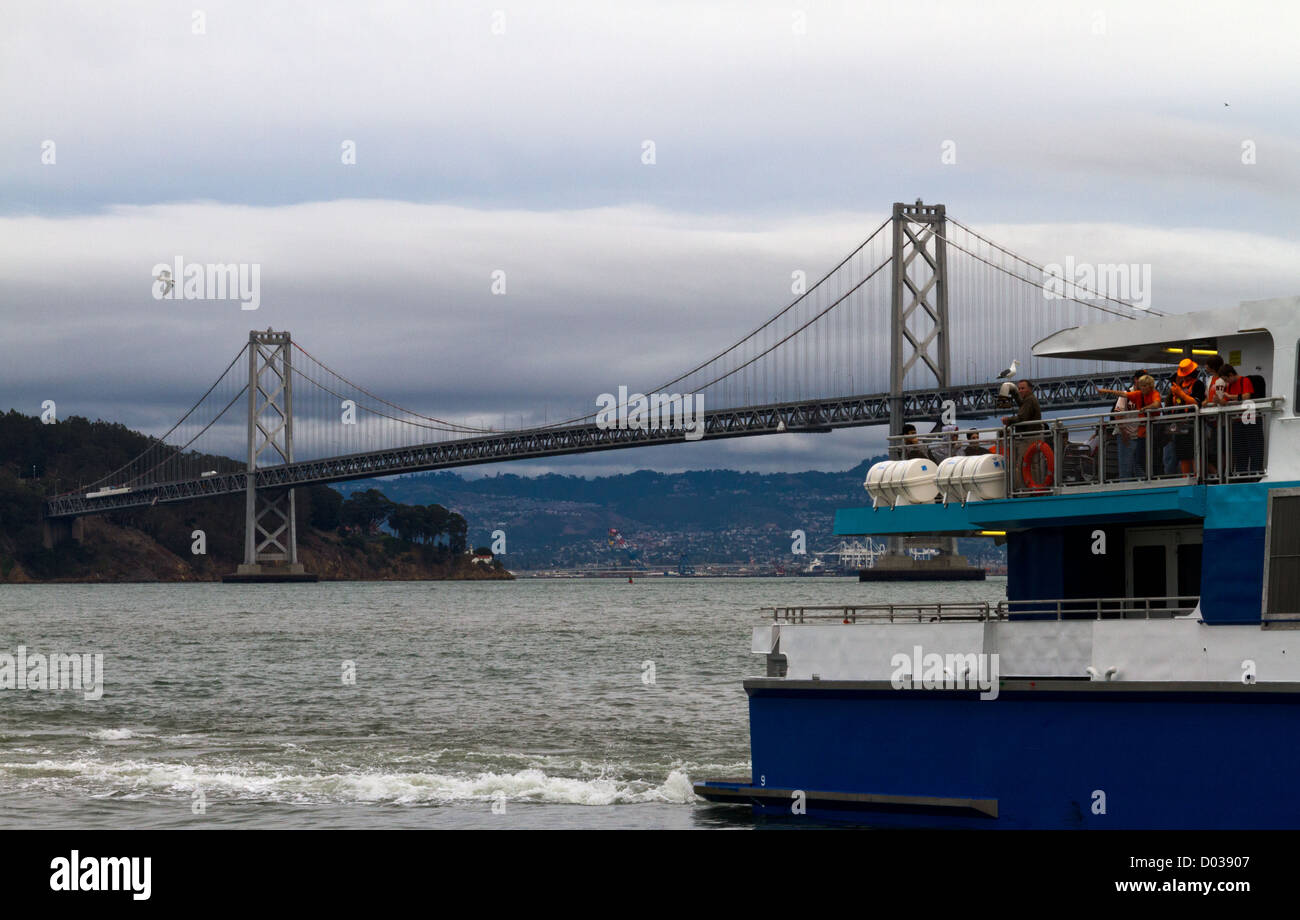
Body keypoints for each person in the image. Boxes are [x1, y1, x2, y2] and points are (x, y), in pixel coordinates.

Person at [1098, 375, 1161, 478]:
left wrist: (1146, 408)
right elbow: (1122, 394)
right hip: (1141, 434)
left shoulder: (1155, 394)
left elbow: (1157, 404)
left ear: (1150, 386)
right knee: (1137, 463)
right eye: (1142, 386)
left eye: (1145, 386)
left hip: (1148, 433)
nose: (1143, 388)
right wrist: (1105, 391)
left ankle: (1145, 483)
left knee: (1141, 462)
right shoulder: (1138, 394)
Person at [1001, 380, 1044, 489]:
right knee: (1034, 464)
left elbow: (1022, 417)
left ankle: (1023, 490)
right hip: (1034, 436)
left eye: (1022, 388)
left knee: (1022, 464)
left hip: (1028, 438)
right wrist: (1015, 394)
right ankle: (1036, 488)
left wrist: (1008, 420)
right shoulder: (1030, 400)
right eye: (1018, 388)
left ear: (1030, 389)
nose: (1020, 390)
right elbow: (1023, 406)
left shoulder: (1029, 400)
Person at [1166, 359, 1205, 476]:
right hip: (1179, 424)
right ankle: (1185, 478)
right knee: (1182, 455)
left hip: (1192, 423)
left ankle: (1197, 477)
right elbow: (1173, 404)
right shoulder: (1179, 386)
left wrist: (1181, 394)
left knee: (1194, 453)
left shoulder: (1198, 384)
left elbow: (1196, 403)